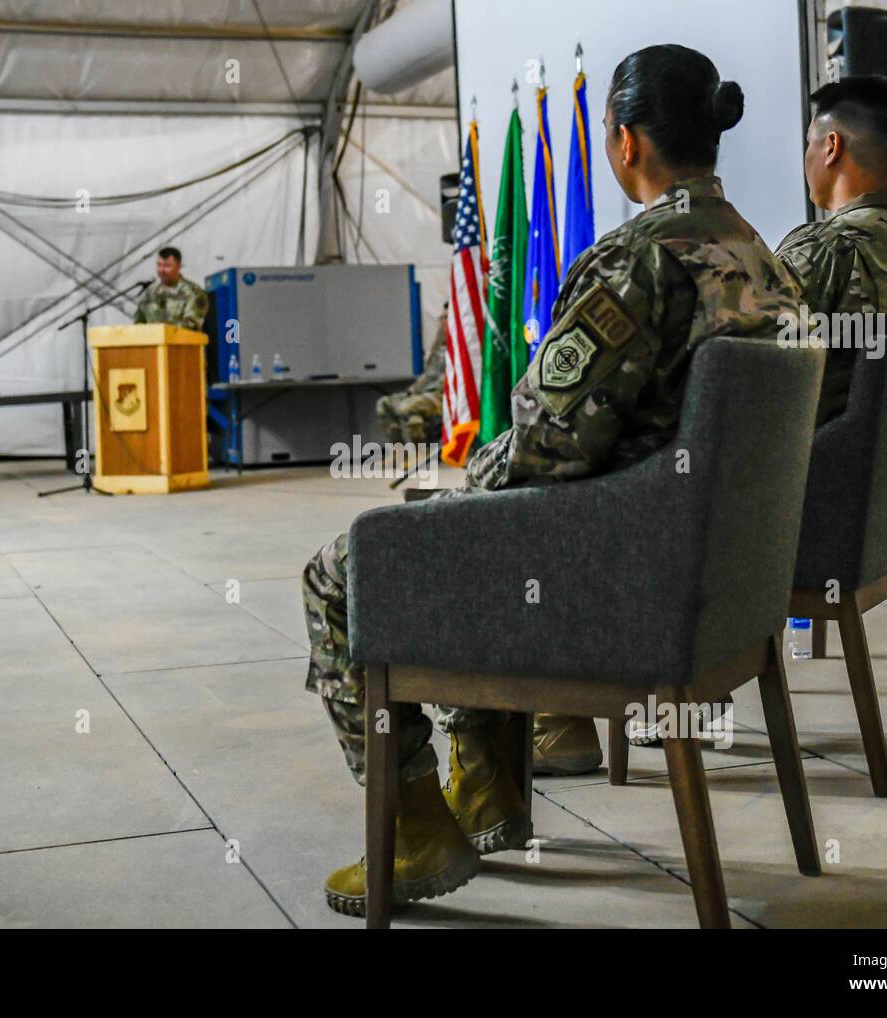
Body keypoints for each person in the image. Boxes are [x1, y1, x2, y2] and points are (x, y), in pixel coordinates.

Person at [303, 43, 803, 917]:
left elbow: (546, 443)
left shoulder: (639, 260)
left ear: (622, 143)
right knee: (479, 528)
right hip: (722, 586)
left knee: (349, 567)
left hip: (619, 585)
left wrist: (459, 490)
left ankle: (417, 823)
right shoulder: (772, 265)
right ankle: (488, 790)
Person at [776, 76, 887, 424]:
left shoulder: (821, 252)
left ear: (831, 147)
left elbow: (747, 372)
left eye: (809, 144)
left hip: (809, 471)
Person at [376, 313, 445, 445]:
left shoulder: (461, 351)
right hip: (424, 395)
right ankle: (399, 451)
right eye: (442, 319)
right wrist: (413, 390)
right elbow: (428, 375)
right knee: (384, 403)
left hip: (441, 397)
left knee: (409, 408)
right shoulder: (438, 349)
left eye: (446, 319)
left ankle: (421, 451)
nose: (443, 323)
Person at [133, 246, 209, 330]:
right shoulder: (150, 293)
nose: (162, 270)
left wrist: (163, 331)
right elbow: (138, 324)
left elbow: (191, 325)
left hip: (182, 342)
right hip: (152, 342)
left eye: (167, 266)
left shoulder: (194, 293)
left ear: (178, 267)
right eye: (159, 265)